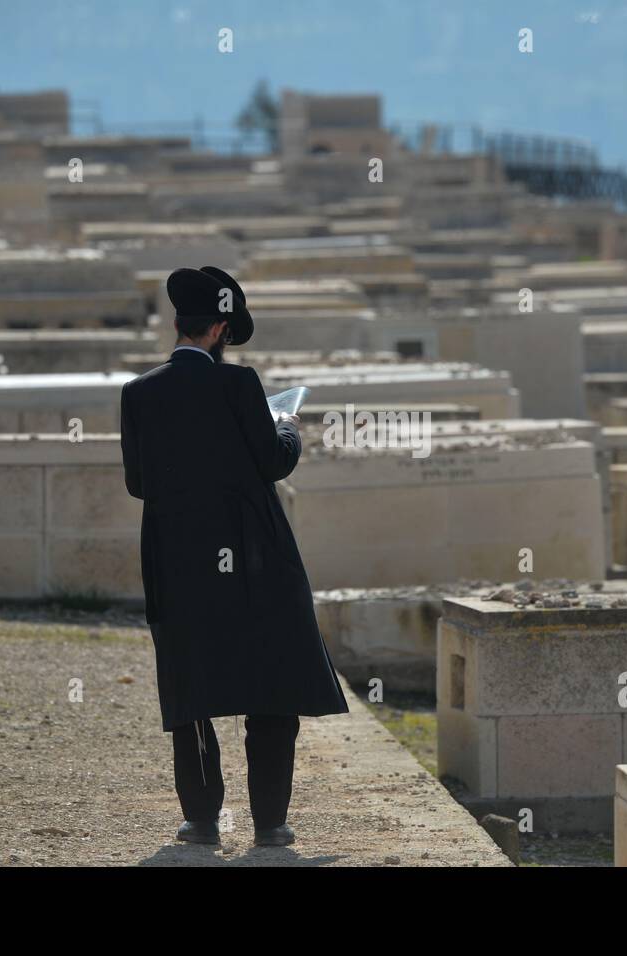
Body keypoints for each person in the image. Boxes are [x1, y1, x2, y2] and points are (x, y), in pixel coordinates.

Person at [119, 265, 349, 848]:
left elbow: (139, 483)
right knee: (269, 686)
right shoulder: (241, 386)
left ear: (178, 323)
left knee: (191, 689)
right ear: (220, 329)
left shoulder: (138, 392)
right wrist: (288, 425)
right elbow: (274, 461)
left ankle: (202, 822)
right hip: (252, 561)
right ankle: (270, 824)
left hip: (177, 562)